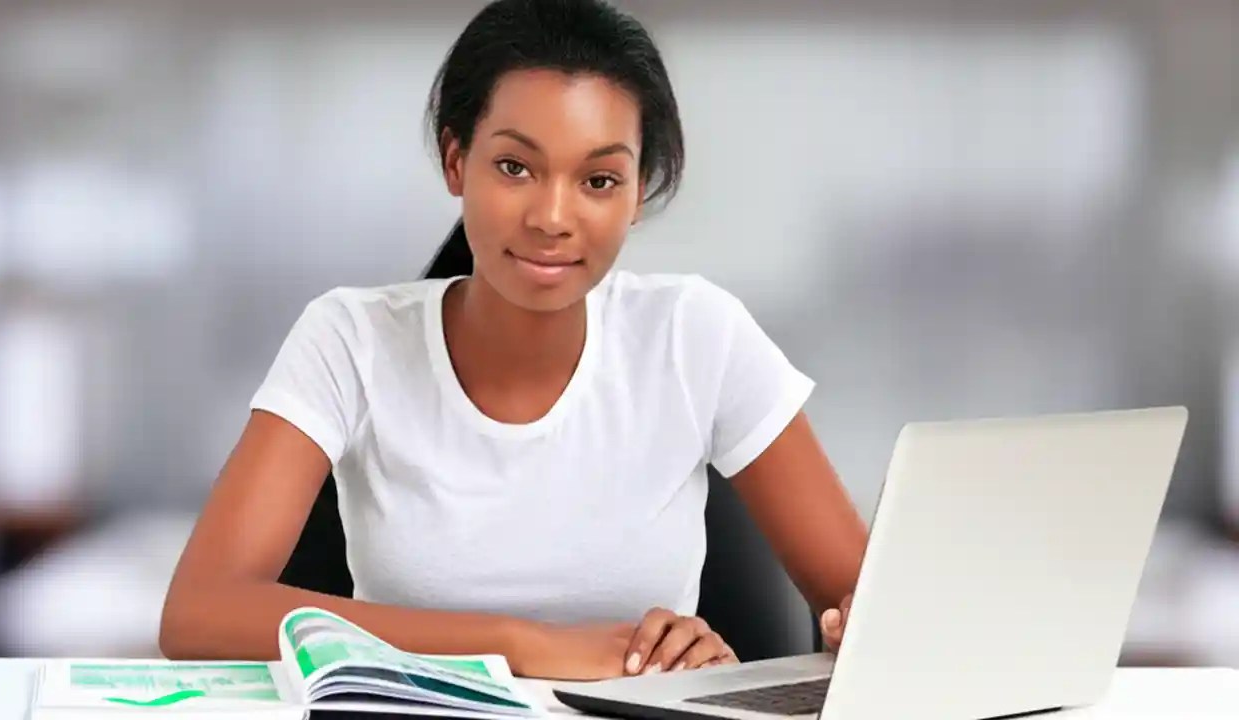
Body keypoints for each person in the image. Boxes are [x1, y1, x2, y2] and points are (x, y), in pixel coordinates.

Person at [160, 0, 868, 681]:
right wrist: (519, 644)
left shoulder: (696, 335)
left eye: (599, 179)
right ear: (454, 160)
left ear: (637, 193)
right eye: (514, 168)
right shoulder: (351, 339)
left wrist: (859, 631)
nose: (553, 217)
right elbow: (200, 613)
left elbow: (870, 608)